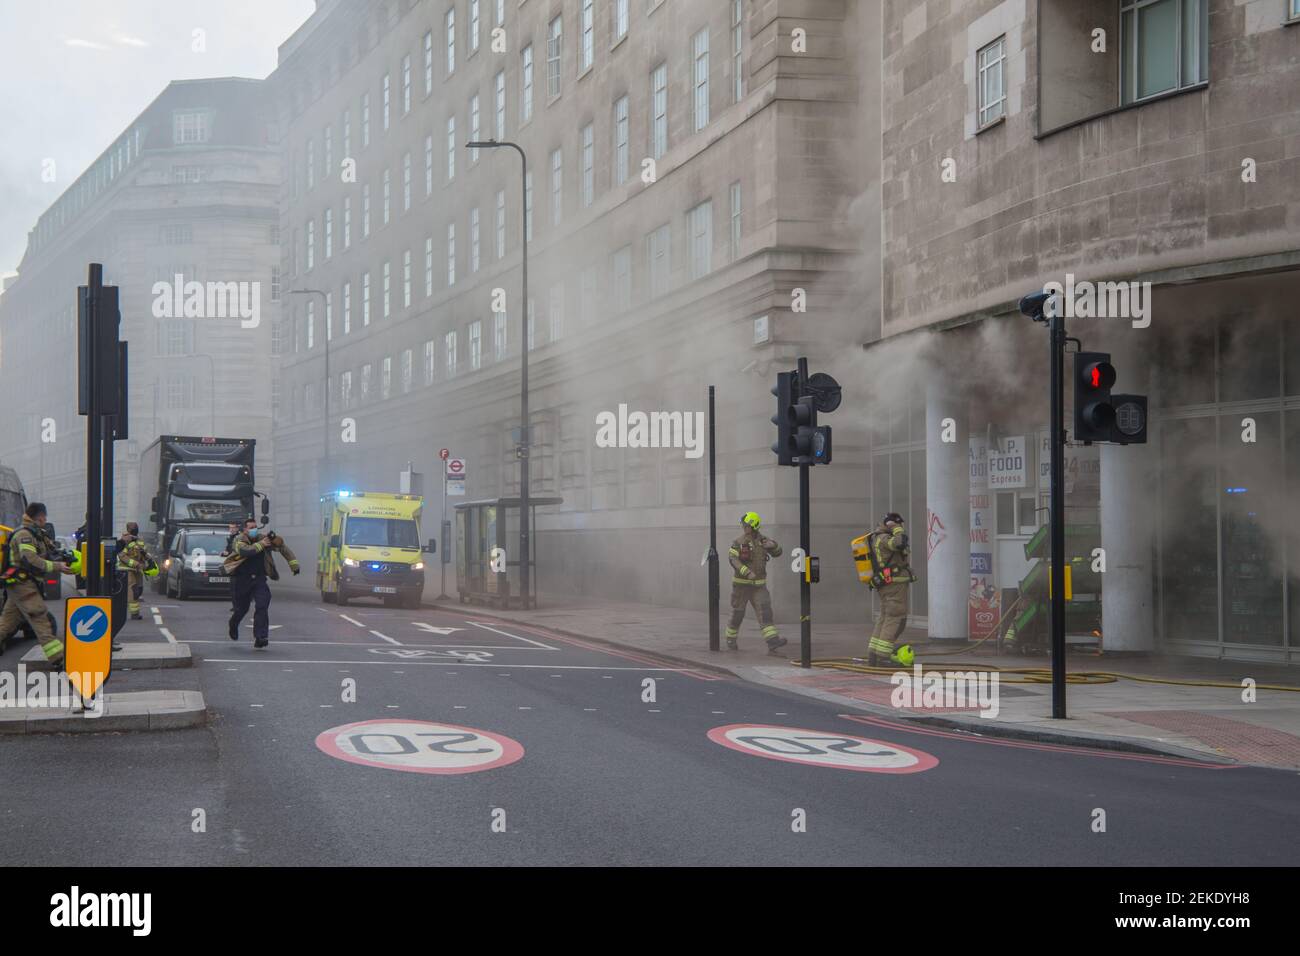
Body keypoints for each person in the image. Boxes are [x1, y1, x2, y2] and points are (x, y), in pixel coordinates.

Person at [0, 502, 79, 666]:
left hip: (22, 585)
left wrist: (64, 557)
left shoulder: (37, 533)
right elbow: (31, 559)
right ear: (41, 517)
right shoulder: (24, 535)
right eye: (44, 517)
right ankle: (58, 659)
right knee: (40, 618)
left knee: (7, 622)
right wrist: (58, 567)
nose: (45, 520)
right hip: (23, 584)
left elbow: (50, 552)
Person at [222, 518, 299, 649]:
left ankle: (261, 637)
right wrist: (262, 544)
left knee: (262, 606)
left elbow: (282, 548)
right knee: (242, 609)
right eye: (251, 527)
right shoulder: (238, 540)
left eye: (255, 527)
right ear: (245, 530)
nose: (254, 530)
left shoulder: (263, 538)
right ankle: (233, 624)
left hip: (259, 579)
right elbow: (246, 551)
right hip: (242, 580)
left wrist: (294, 565)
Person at [726, 511, 788, 655]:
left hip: (759, 586)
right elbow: (733, 560)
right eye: (744, 525)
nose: (744, 527)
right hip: (741, 586)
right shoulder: (738, 542)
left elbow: (778, 553)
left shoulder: (764, 541)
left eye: (746, 525)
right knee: (738, 614)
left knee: (765, 613)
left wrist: (774, 545)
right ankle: (731, 639)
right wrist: (747, 572)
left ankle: (773, 642)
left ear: (753, 526)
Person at [864, 512, 918, 667]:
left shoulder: (877, 537)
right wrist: (897, 529)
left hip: (886, 585)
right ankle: (883, 657)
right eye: (899, 524)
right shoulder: (885, 538)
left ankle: (874, 654)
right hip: (894, 585)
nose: (902, 527)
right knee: (895, 618)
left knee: (884, 618)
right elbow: (900, 542)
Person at [114, 521, 157, 620]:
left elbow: (143, 552)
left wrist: (149, 559)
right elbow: (122, 556)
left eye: (136, 527)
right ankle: (134, 614)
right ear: (128, 529)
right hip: (127, 570)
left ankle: (131, 608)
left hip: (138, 570)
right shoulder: (125, 540)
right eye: (133, 527)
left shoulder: (139, 540)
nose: (135, 529)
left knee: (139, 590)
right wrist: (136, 564)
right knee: (133, 591)